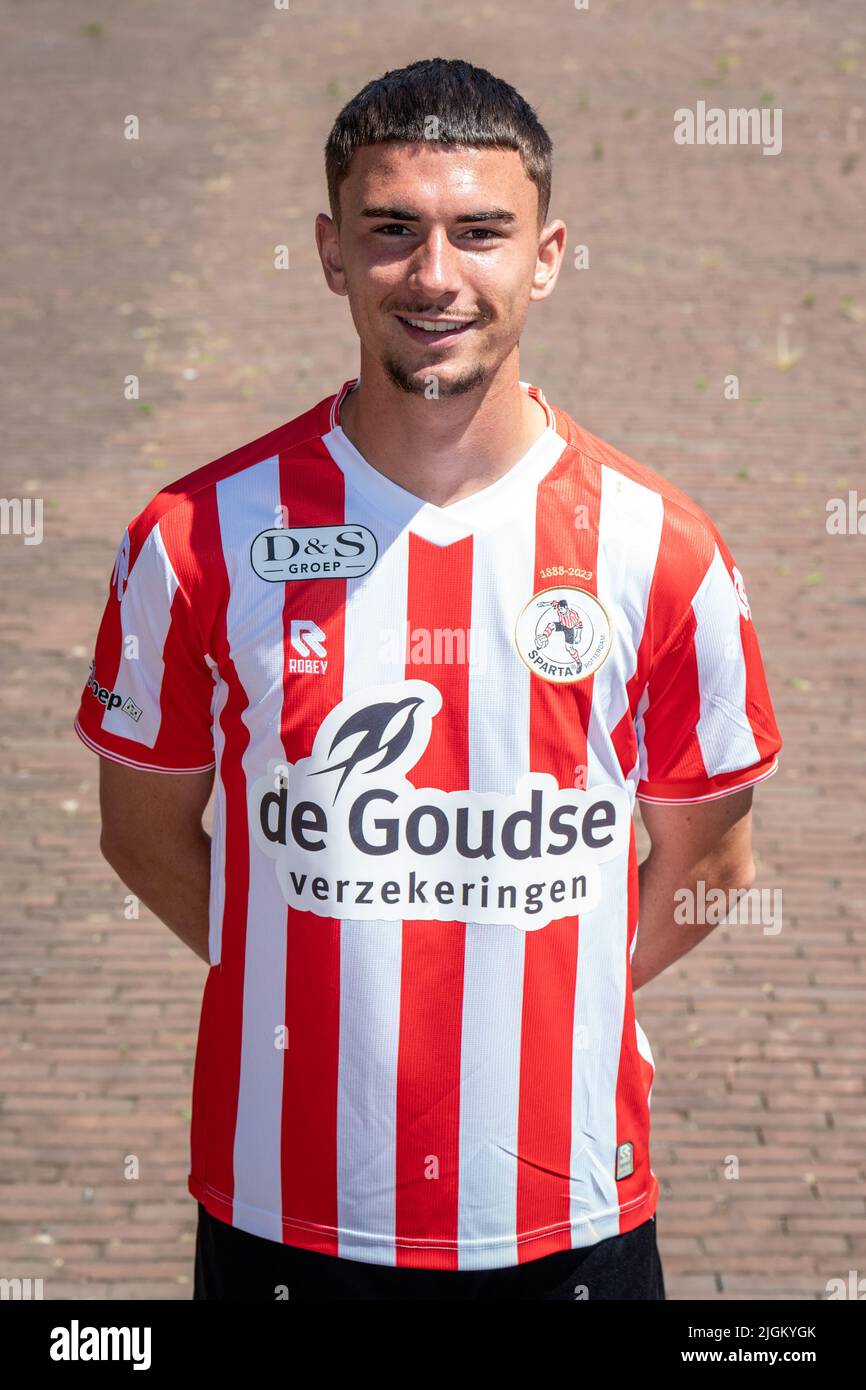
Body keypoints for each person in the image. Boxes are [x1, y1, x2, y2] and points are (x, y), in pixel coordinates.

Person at [73, 57, 783, 1301]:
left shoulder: (660, 548)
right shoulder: (194, 538)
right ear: (331, 251)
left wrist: (544, 998)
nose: (435, 275)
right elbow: (143, 837)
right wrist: (319, 976)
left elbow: (712, 869)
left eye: (481, 232)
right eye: (391, 230)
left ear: (547, 255)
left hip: (564, 1221)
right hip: (283, 1217)